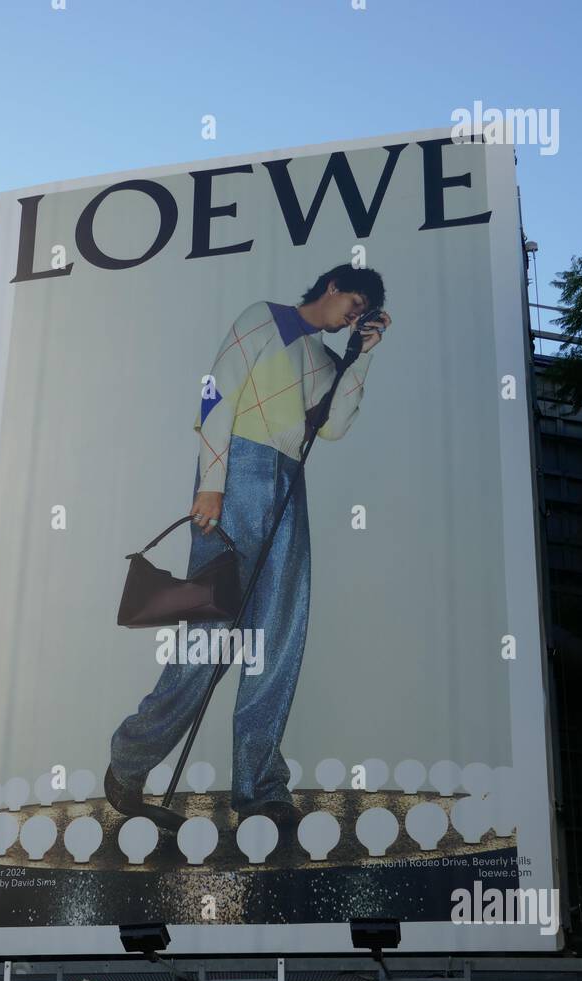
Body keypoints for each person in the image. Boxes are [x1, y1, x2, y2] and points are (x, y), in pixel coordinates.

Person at [106, 264, 391, 831]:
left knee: (278, 636)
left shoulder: (325, 357)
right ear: (330, 287)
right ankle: (130, 759)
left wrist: (362, 356)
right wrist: (210, 483)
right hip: (237, 473)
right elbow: (215, 395)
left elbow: (332, 429)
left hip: (289, 484)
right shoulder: (267, 319)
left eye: (362, 314)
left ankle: (259, 786)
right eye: (352, 305)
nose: (352, 317)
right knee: (210, 634)